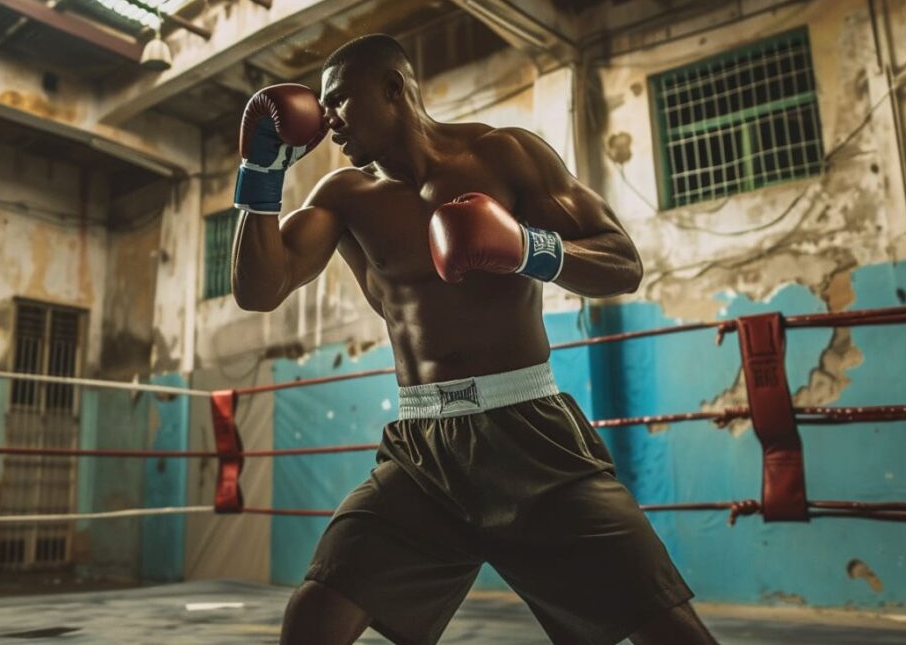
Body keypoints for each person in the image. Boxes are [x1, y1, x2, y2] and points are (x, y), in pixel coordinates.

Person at [230, 34, 717, 645]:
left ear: (392, 88)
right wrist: (261, 171)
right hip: (422, 453)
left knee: (668, 626)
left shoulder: (506, 155)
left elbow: (623, 263)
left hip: (532, 437)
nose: (327, 121)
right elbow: (260, 289)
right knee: (313, 619)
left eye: (340, 101)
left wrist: (527, 249)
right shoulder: (343, 196)